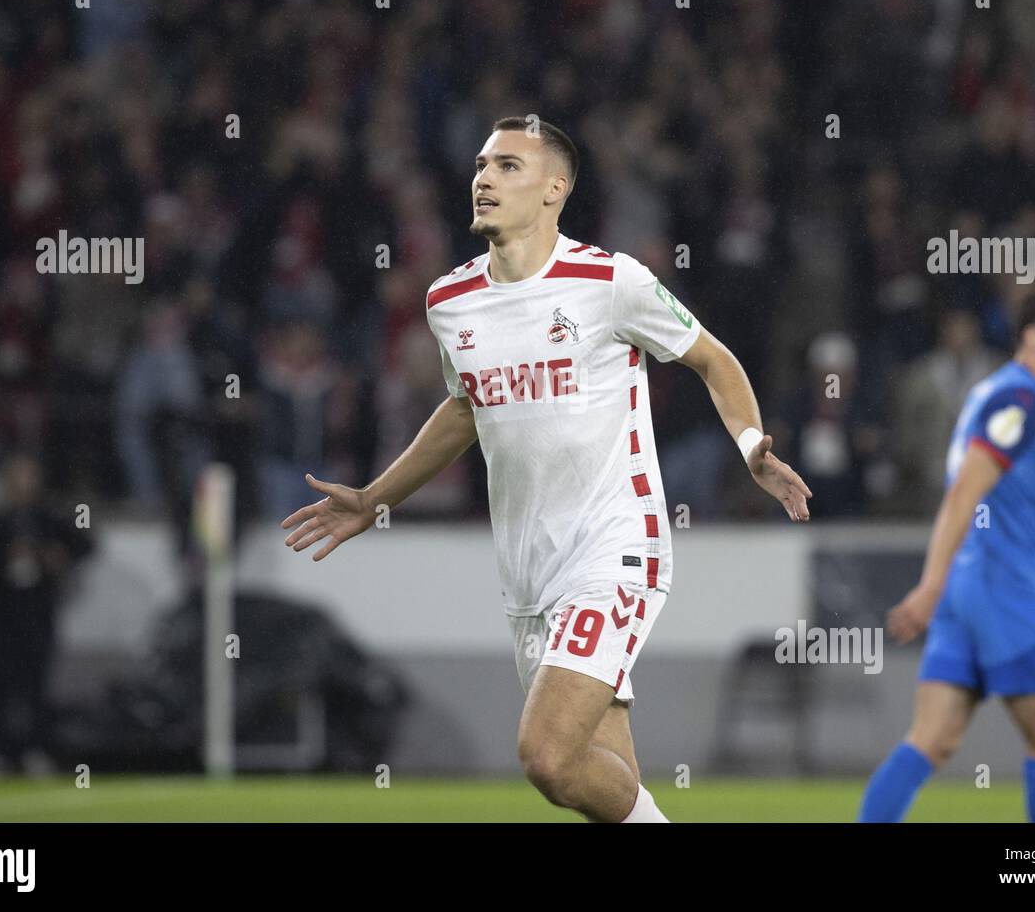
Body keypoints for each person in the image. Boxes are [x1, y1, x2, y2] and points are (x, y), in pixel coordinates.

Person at [281, 117, 812, 822]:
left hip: (614, 547)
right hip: (528, 571)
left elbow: (711, 358)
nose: (483, 179)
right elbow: (466, 409)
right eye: (480, 165)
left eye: (506, 166)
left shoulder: (609, 281)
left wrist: (751, 447)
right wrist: (375, 497)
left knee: (546, 755)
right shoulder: (450, 302)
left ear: (554, 189)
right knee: (607, 783)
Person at [859, 286, 1035, 822]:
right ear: (1032, 336)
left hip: (969, 592)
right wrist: (927, 584)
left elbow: (1008, 528)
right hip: (1002, 593)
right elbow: (965, 493)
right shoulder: (1022, 401)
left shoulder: (990, 394)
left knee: (933, 738)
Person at [0, 454, 94, 774]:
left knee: (37, 686)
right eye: (18, 477)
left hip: (38, 616)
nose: (24, 484)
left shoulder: (50, 521)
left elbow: (85, 543)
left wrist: (56, 557)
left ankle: (35, 750)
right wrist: (2, 560)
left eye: (29, 477)